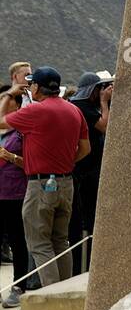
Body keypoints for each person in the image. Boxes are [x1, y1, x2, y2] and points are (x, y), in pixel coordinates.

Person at [0, 66, 90, 287]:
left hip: (40, 184)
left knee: (40, 245)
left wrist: (11, 93)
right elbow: (85, 148)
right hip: (66, 182)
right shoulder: (73, 110)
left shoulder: (36, 111)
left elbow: (1, 120)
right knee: (60, 241)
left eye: (31, 84)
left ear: (38, 87)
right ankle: (66, 291)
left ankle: (51, 294)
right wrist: (66, 163)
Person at [68, 73, 113, 275]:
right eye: (100, 88)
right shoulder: (84, 107)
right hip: (85, 171)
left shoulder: (83, 106)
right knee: (86, 219)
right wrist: (105, 103)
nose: (102, 92)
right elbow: (106, 126)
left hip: (89, 170)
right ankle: (83, 268)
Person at [0, 90, 28, 307]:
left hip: (15, 194)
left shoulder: (23, 131)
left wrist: (10, 157)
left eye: (6, 101)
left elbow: (31, 162)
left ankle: (19, 286)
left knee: (18, 241)